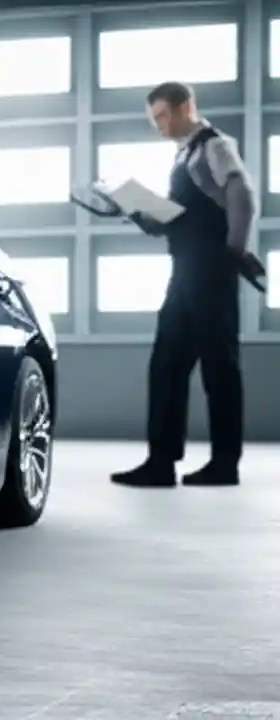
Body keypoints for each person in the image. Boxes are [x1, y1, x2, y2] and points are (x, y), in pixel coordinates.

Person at [111, 81, 258, 488]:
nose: (158, 125)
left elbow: (242, 192)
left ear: (185, 107)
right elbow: (179, 218)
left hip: (210, 271)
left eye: (162, 115)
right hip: (186, 272)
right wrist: (137, 213)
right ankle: (161, 462)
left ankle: (224, 464)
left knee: (219, 368)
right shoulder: (183, 156)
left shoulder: (213, 144)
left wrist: (234, 252)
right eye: (153, 118)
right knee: (167, 365)